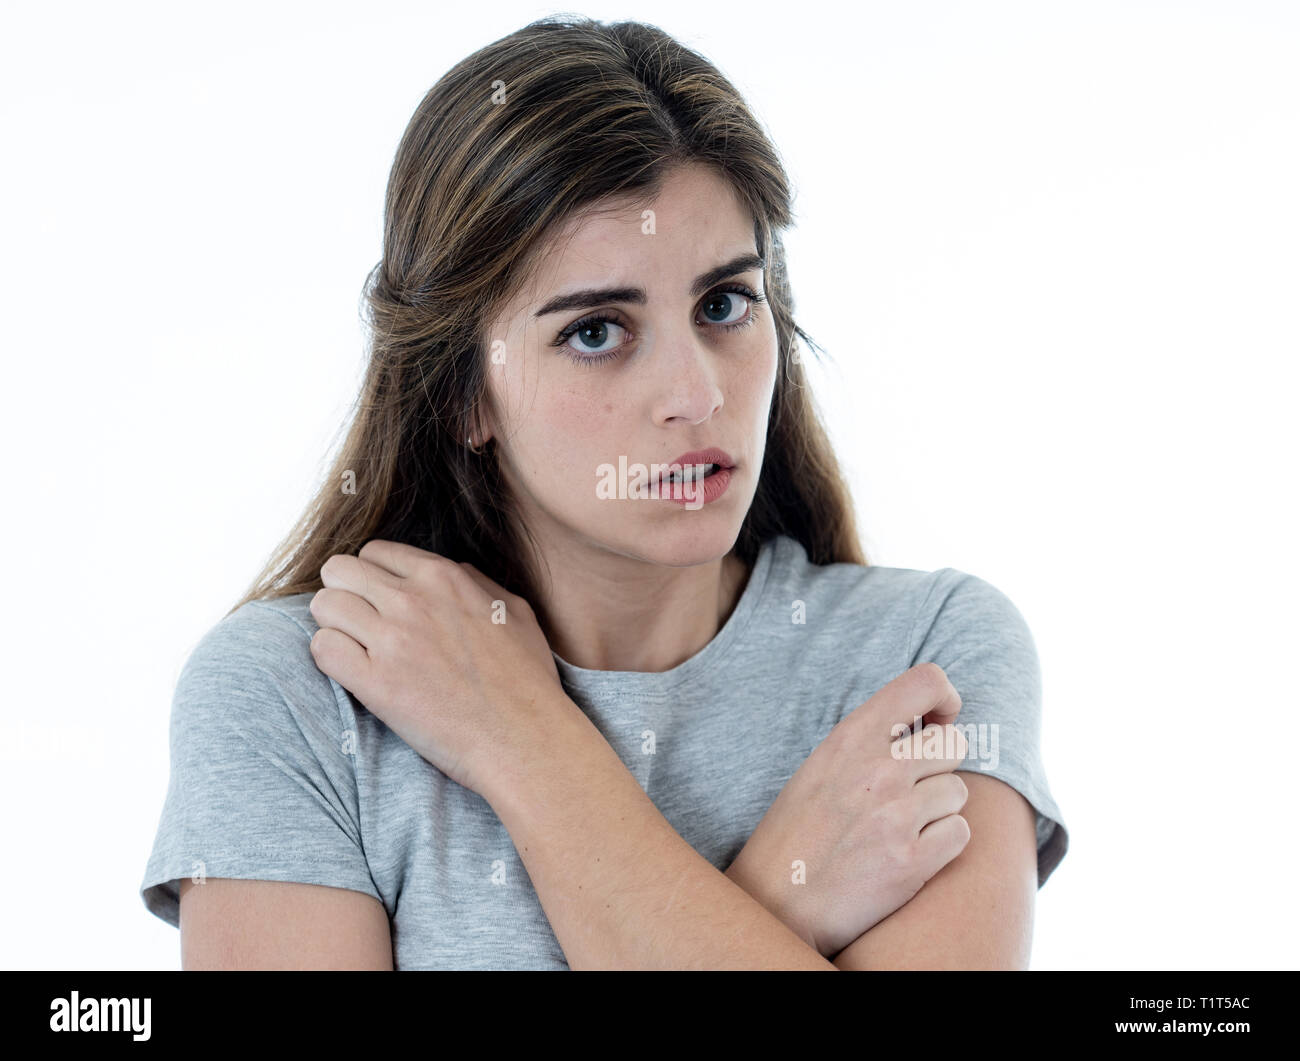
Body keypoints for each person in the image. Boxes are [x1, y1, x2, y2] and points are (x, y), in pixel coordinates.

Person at [140, 14, 1068, 970]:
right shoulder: (302, 694)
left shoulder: (924, 659)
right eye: (596, 331)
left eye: (724, 305)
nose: (697, 394)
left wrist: (526, 746)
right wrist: (771, 902)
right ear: (465, 392)